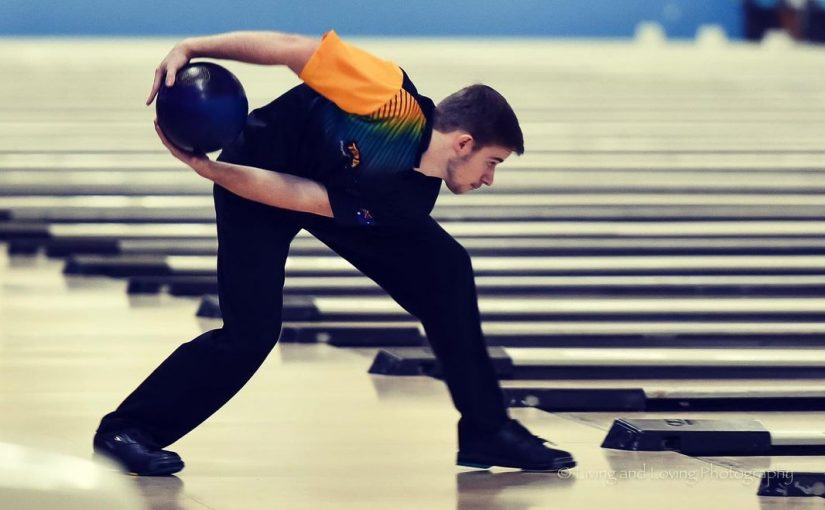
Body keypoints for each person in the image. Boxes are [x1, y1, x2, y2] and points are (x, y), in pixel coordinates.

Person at [93, 29, 577, 475]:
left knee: (446, 269)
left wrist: (204, 169)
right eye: (491, 163)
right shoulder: (384, 97)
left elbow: (308, 200)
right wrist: (194, 49)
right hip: (251, 176)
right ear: (464, 142)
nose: (489, 180)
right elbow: (288, 49)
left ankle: (487, 430)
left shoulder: (409, 200)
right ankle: (127, 429)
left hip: (319, 192)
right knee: (251, 334)